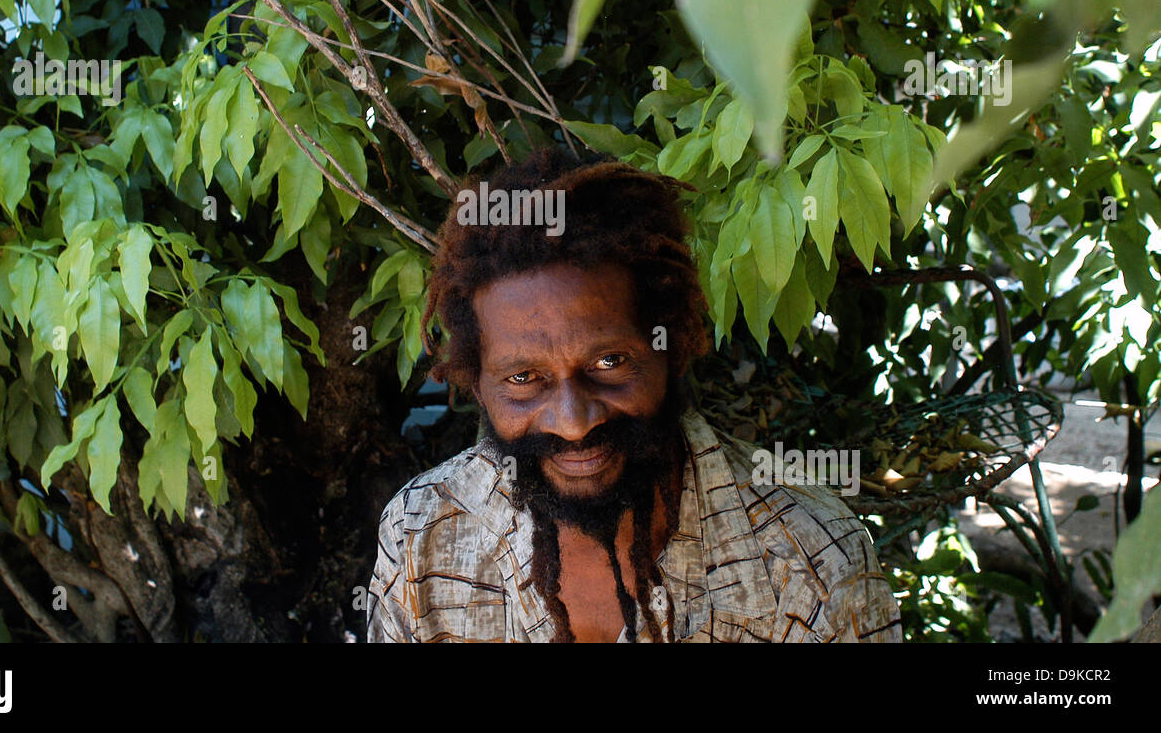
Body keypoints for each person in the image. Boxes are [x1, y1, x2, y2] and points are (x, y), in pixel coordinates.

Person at [366, 147, 902, 642]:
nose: (573, 423)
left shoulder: (812, 560)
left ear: (671, 347)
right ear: (477, 382)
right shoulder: (422, 538)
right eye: (524, 379)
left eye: (609, 363)